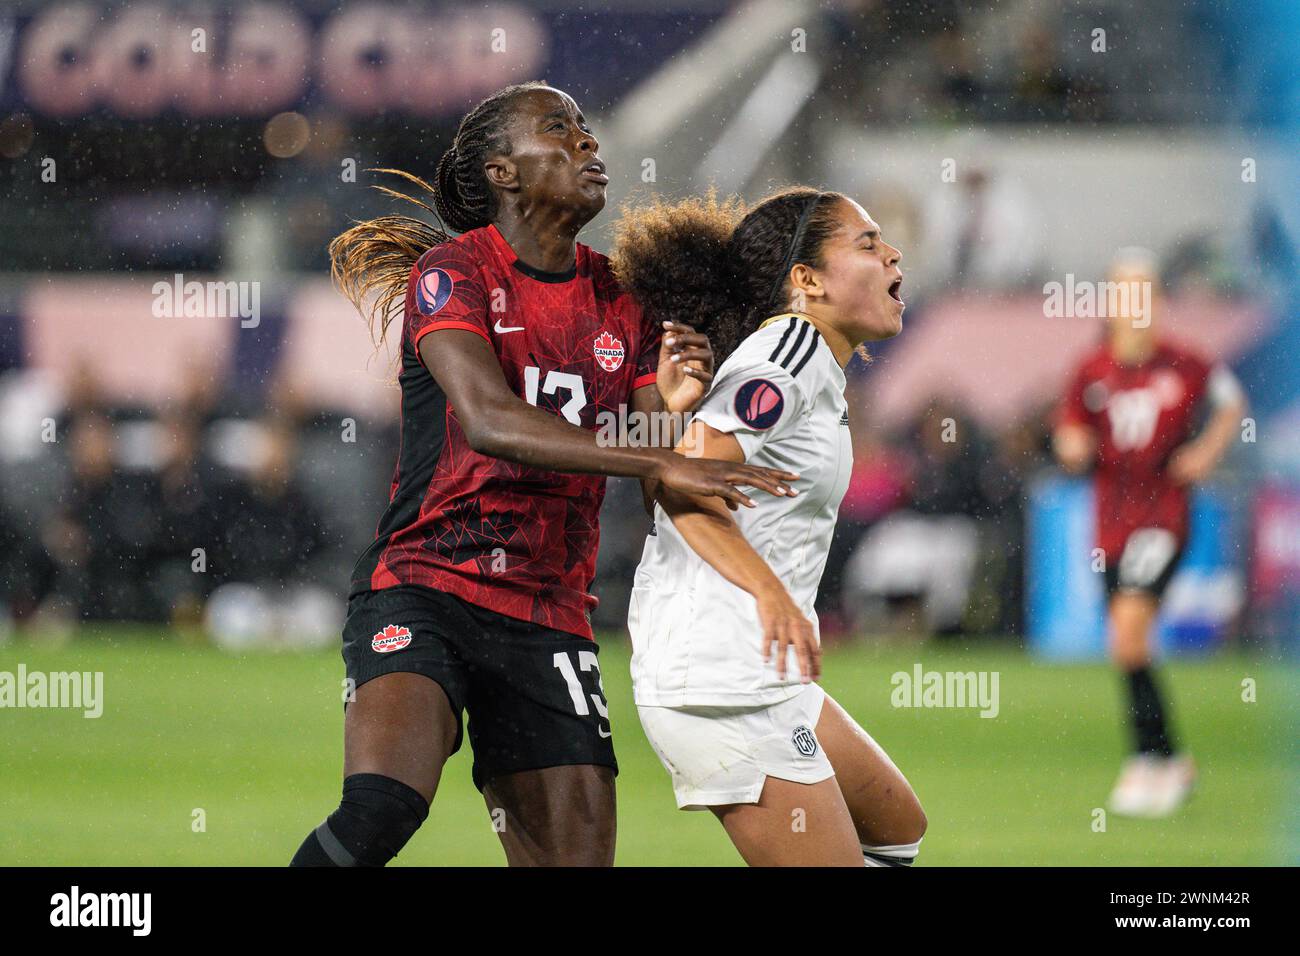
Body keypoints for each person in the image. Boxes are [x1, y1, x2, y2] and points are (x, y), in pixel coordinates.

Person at [290, 82, 796, 867]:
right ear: (503, 171)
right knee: (383, 807)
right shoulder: (451, 273)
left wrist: (676, 409)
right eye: (561, 130)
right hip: (427, 584)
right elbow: (491, 422)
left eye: (589, 129)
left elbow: (650, 460)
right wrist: (655, 448)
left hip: (547, 613)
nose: (589, 145)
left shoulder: (620, 296)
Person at [613, 187, 927, 865]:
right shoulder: (789, 354)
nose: (892, 253)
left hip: (760, 671)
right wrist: (770, 594)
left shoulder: (808, 364)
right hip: (721, 679)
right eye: (867, 243)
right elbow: (680, 489)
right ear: (806, 280)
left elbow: (672, 480)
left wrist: (671, 420)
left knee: (897, 827)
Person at [1054, 248, 1247, 818]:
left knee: (1129, 634)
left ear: (1158, 304)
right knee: (1126, 643)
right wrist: (1071, 448)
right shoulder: (1091, 371)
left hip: (1163, 516)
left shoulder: (1186, 363)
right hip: (1110, 521)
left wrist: (1206, 450)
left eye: (1143, 293)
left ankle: (1147, 760)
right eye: (1123, 294)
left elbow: (1232, 403)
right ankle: (1170, 761)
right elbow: (1069, 432)